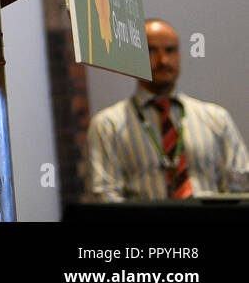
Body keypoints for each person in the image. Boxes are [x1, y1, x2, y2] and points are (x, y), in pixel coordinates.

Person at [86, 18, 249, 201]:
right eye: (150, 51)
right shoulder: (109, 125)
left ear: (179, 55)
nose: (163, 60)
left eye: (170, 50)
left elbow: (241, 187)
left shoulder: (216, 119)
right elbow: (105, 194)